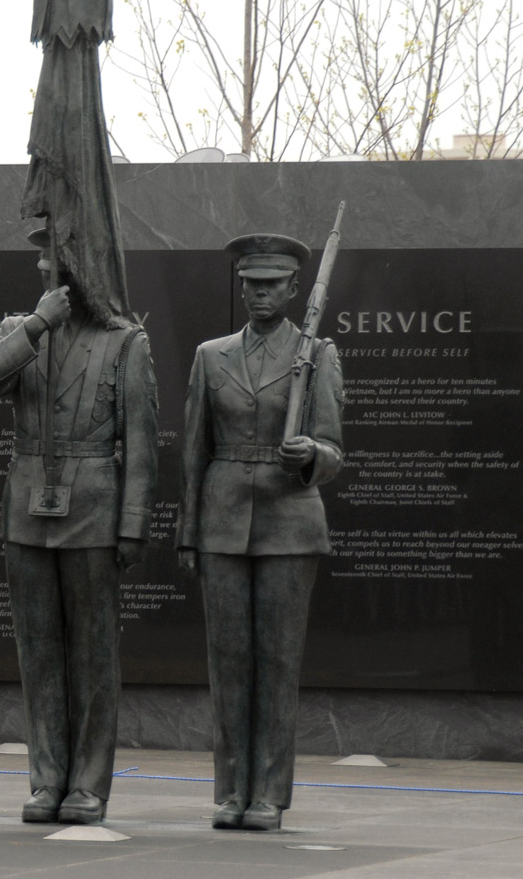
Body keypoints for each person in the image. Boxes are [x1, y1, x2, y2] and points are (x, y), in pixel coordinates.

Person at [0, 228, 159, 826]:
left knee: (94, 655)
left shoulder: (124, 341)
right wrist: (36, 326)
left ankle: (88, 784)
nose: (44, 266)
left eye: (56, 258)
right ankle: (47, 778)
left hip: (94, 509)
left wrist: (132, 524)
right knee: (38, 654)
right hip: (28, 508)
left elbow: (142, 443)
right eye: (42, 258)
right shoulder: (20, 330)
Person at [176, 234, 344, 832]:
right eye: (251, 284)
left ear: (294, 288)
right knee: (227, 663)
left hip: (288, 520)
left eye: (271, 285)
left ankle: (268, 792)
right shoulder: (211, 355)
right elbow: (194, 451)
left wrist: (311, 453)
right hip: (222, 519)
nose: (259, 294)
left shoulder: (315, 354)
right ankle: (231, 791)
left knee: (277, 662)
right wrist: (188, 531)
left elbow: (334, 448)